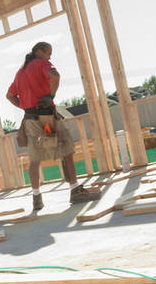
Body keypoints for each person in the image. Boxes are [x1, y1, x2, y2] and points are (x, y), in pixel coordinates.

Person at [6, 42, 99, 212]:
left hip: (30, 121)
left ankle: (36, 199)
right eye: (49, 52)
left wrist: (26, 106)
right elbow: (55, 76)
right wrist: (50, 96)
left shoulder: (20, 72)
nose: (50, 56)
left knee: (35, 159)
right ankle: (75, 191)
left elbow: (10, 95)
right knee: (67, 150)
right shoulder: (41, 63)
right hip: (47, 119)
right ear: (39, 52)